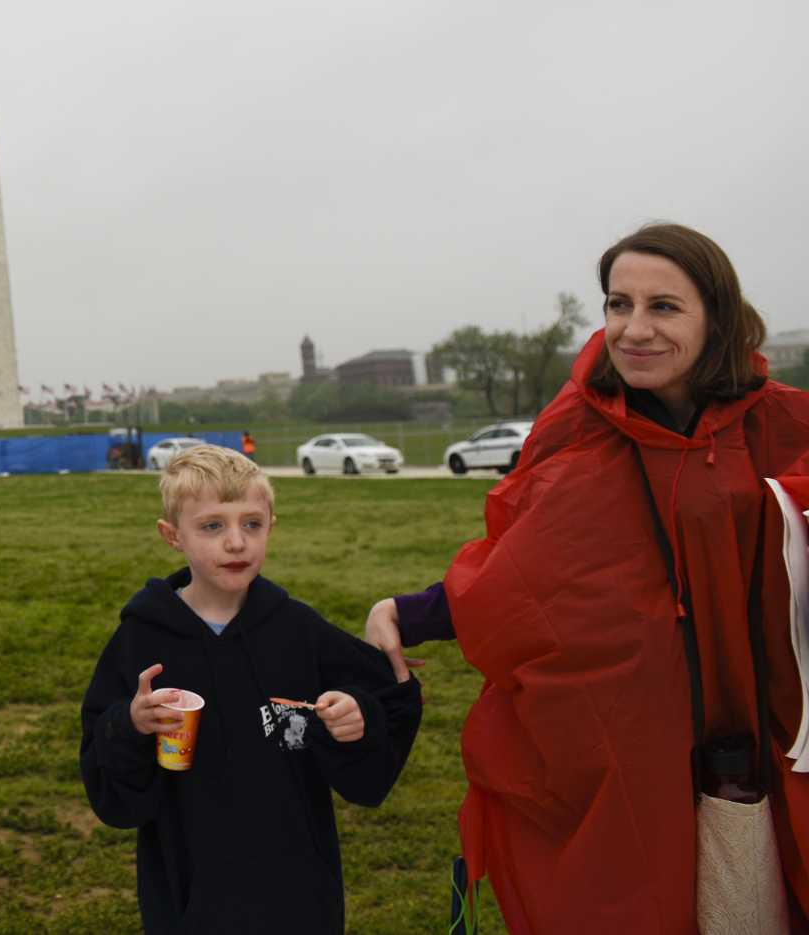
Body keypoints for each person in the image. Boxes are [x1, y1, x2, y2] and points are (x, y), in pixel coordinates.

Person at [364, 223, 809, 929]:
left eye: (664, 306)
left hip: (759, 717)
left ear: (716, 315)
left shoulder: (780, 422)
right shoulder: (578, 426)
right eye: (617, 303)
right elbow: (531, 555)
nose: (634, 329)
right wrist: (416, 611)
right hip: (631, 734)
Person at [81, 445, 422, 932]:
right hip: (189, 885)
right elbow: (105, 763)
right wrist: (130, 724)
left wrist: (355, 715)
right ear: (172, 536)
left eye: (252, 524)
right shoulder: (143, 636)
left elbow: (384, 701)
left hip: (296, 883)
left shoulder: (297, 629)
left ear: (271, 526)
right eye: (213, 526)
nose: (237, 543)